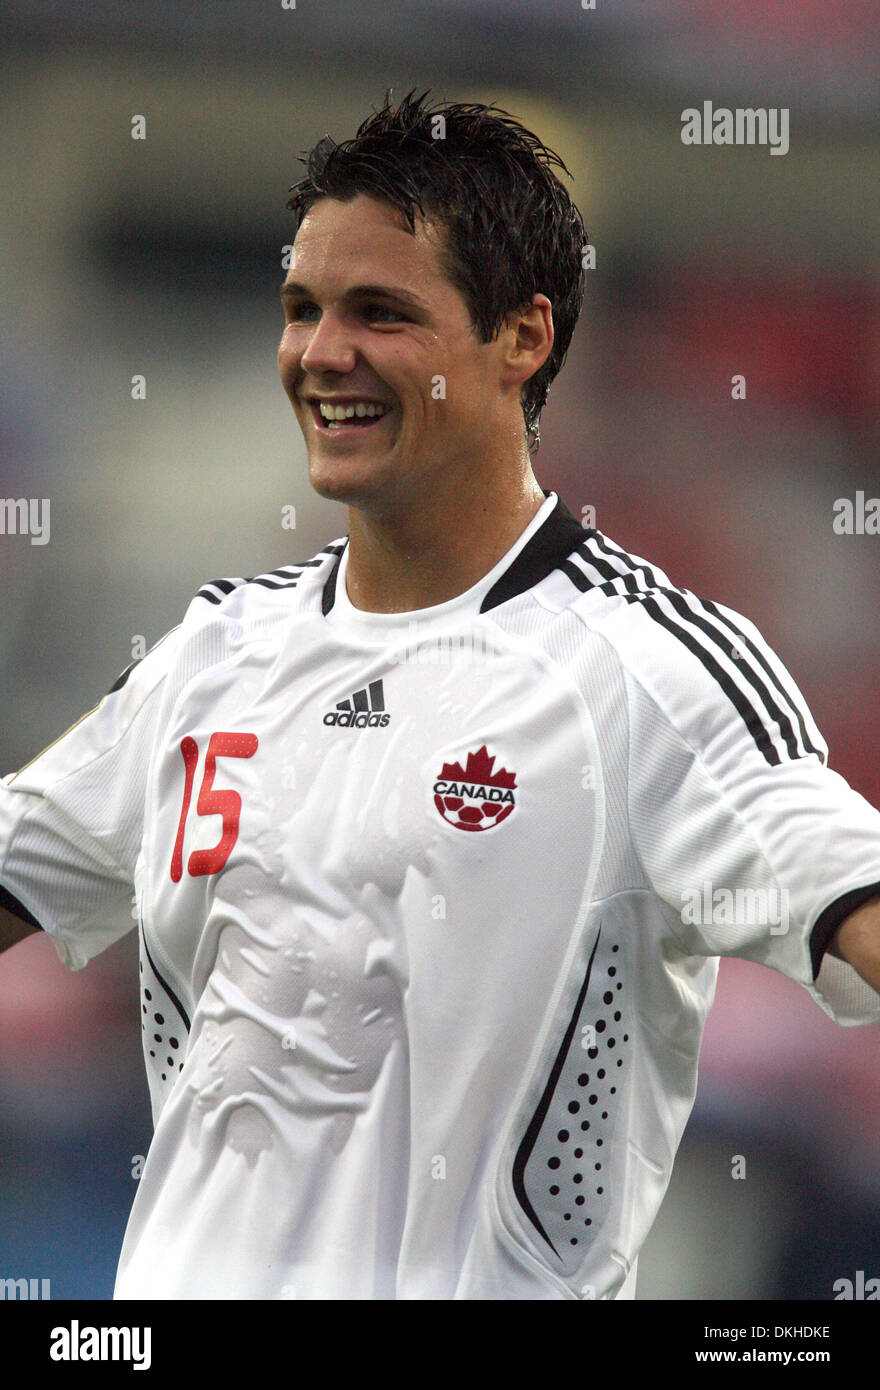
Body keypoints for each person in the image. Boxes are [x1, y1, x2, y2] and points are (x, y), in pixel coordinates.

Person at [1, 90, 879, 1301]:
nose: (320, 353)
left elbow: (850, 892)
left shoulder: (651, 671)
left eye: (381, 313)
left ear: (521, 338)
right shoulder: (206, 658)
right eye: (302, 309)